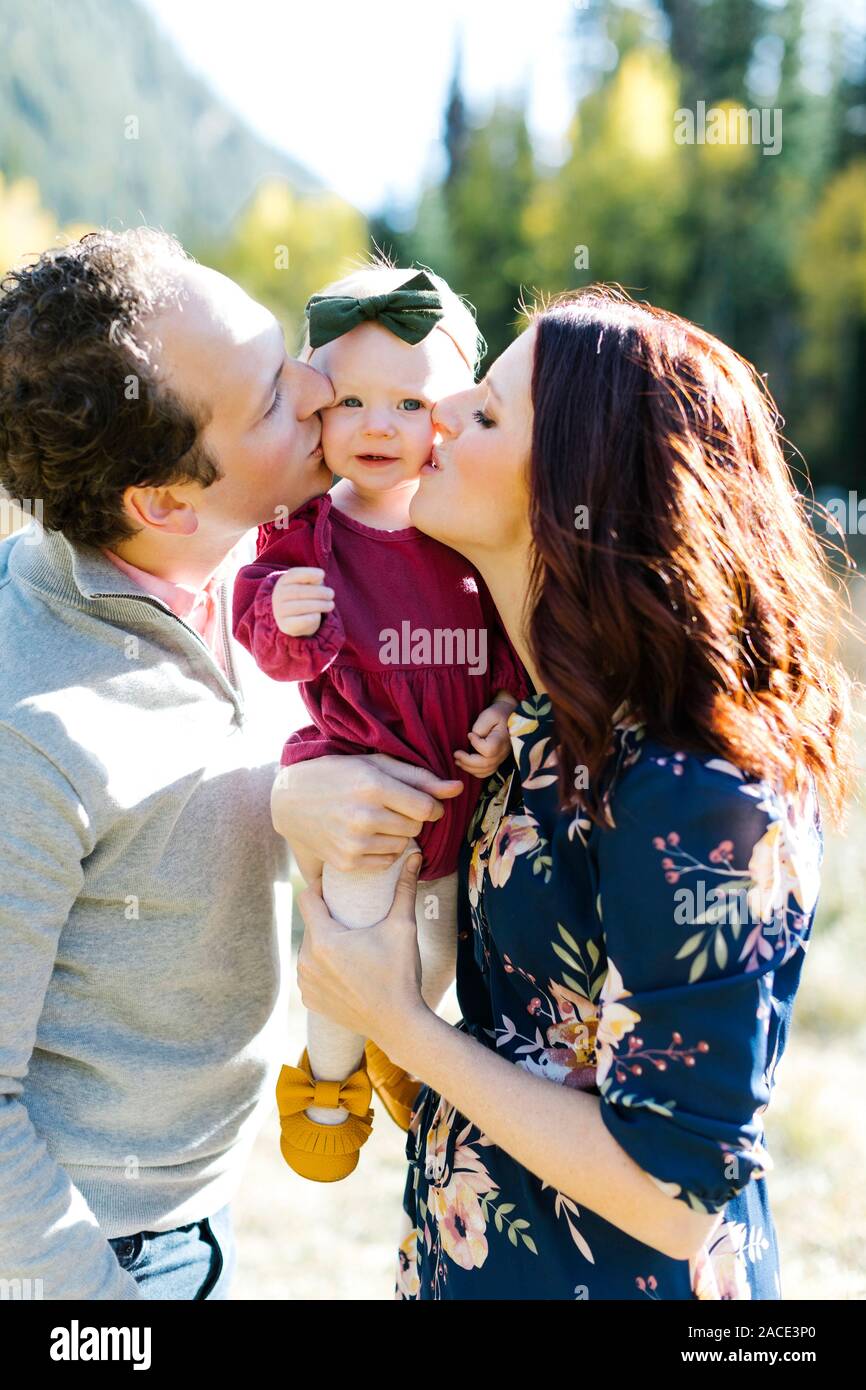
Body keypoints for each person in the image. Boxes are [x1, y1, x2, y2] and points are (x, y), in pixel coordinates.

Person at [284, 287, 854, 1299]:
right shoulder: (532, 726)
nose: (443, 412)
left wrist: (397, 1020)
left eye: (490, 413)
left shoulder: (695, 785)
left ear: (580, 486)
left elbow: (673, 1194)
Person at [0, 227, 460, 1299]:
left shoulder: (257, 566)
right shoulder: (30, 729)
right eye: (266, 398)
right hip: (97, 1252)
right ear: (163, 499)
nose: (315, 386)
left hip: (201, 1209)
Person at [232, 262, 526, 1183]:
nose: (377, 426)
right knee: (356, 926)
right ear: (318, 413)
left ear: (451, 410)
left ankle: (403, 1048)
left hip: (458, 789)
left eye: (408, 404)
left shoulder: (461, 522)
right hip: (362, 788)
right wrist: (282, 616)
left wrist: (509, 706)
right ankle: (327, 1082)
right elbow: (261, 635)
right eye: (350, 402)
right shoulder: (309, 527)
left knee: (436, 937)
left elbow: (510, 632)